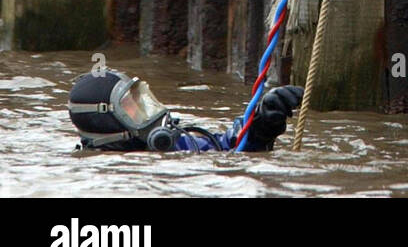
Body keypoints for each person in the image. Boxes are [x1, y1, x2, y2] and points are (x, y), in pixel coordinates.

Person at [67, 68, 303, 152]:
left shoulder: (177, 144)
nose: (148, 113)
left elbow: (225, 146)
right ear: (110, 124)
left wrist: (259, 124)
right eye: (134, 109)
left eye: (142, 99)